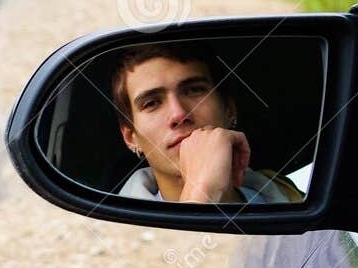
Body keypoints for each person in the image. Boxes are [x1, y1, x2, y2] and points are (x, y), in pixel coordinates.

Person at [108, 42, 305, 206]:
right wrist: (203, 191)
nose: (179, 114)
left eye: (194, 90)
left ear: (229, 109)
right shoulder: (118, 232)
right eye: (151, 103)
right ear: (130, 137)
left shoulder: (292, 203)